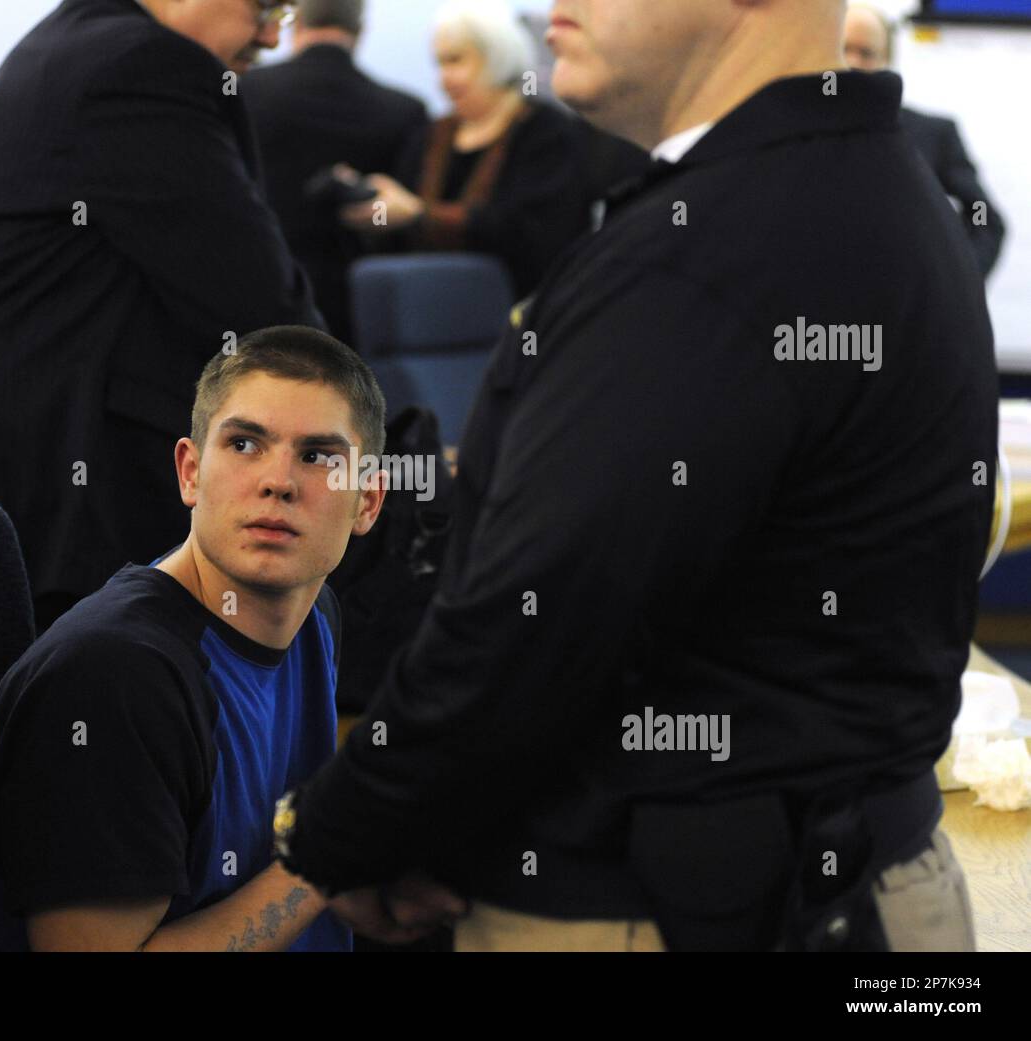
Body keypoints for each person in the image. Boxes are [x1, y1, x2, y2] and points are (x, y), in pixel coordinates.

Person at [272, 0, 997, 952]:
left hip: (685, 907)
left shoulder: (724, 247)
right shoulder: (863, 195)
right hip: (834, 884)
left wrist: (340, 835)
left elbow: (529, 621)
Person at [0, 325, 388, 951]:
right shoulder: (114, 677)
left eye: (318, 457)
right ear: (190, 472)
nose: (278, 482)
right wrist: (324, 858)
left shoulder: (317, 614)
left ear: (367, 502)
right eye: (244, 443)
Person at [0, 0, 322, 635]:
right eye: (264, 5)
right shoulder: (142, 65)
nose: (271, 34)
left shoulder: (62, 45)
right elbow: (265, 314)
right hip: (67, 516)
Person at [339, 0, 595, 300]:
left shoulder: (547, 132)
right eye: (439, 63)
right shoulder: (431, 135)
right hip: (428, 307)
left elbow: (533, 234)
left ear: (496, 57)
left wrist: (420, 214)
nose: (444, 79)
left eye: (456, 60)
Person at [242, 0, 428, 344]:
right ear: (360, 31)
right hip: (361, 308)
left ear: (295, 24)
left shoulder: (246, 92)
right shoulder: (405, 110)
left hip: (258, 296)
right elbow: (397, 224)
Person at [843, 3, 1006, 277]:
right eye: (844, 49)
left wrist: (960, 285)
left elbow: (982, 216)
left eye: (866, 52)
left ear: (887, 60)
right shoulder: (793, 133)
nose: (854, 63)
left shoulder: (931, 134)